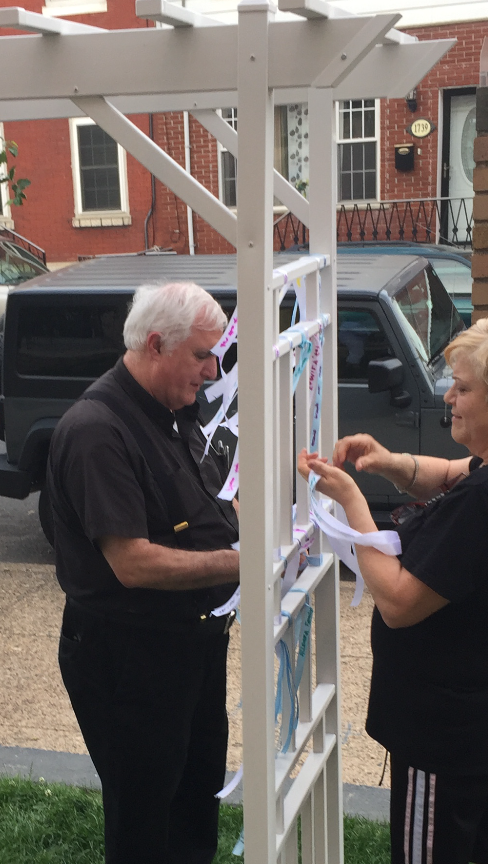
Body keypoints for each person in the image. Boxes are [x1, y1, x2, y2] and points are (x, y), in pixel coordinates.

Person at [298, 307, 488, 864]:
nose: (450, 398)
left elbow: (400, 601)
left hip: (449, 735)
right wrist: (389, 462)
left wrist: (354, 504)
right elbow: (462, 471)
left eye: (463, 388)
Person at [47, 282, 240, 864]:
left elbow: (208, 502)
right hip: (129, 657)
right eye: (202, 355)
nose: (212, 371)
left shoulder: (172, 407)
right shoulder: (97, 429)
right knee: (145, 816)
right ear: (156, 344)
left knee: (196, 795)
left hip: (191, 645)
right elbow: (132, 562)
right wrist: (251, 561)